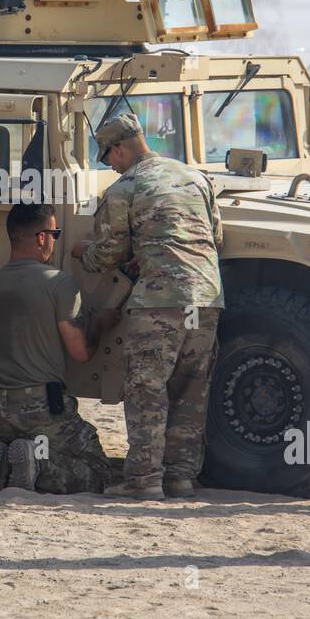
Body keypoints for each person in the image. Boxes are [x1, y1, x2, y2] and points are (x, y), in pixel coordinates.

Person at [72, 112, 224, 501]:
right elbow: (214, 238)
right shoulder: (196, 177)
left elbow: (107, 254)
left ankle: (143, 480)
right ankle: (180, 479)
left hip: (158, 303)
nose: (108, 164)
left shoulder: (125, 188)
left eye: (108, 157)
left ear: (119, 148)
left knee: (146, 390)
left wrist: (80, 251)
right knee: (191, 390)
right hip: (206, 298)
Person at [0, 202, 115, 495]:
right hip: (41, 408)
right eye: (56, 233)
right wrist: (99, 323)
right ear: (41, 237)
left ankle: (1, 455)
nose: (55, 239)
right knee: (97, 471)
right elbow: (80, 351)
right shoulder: (58, 283)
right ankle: (35, 464)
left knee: (26, 442)